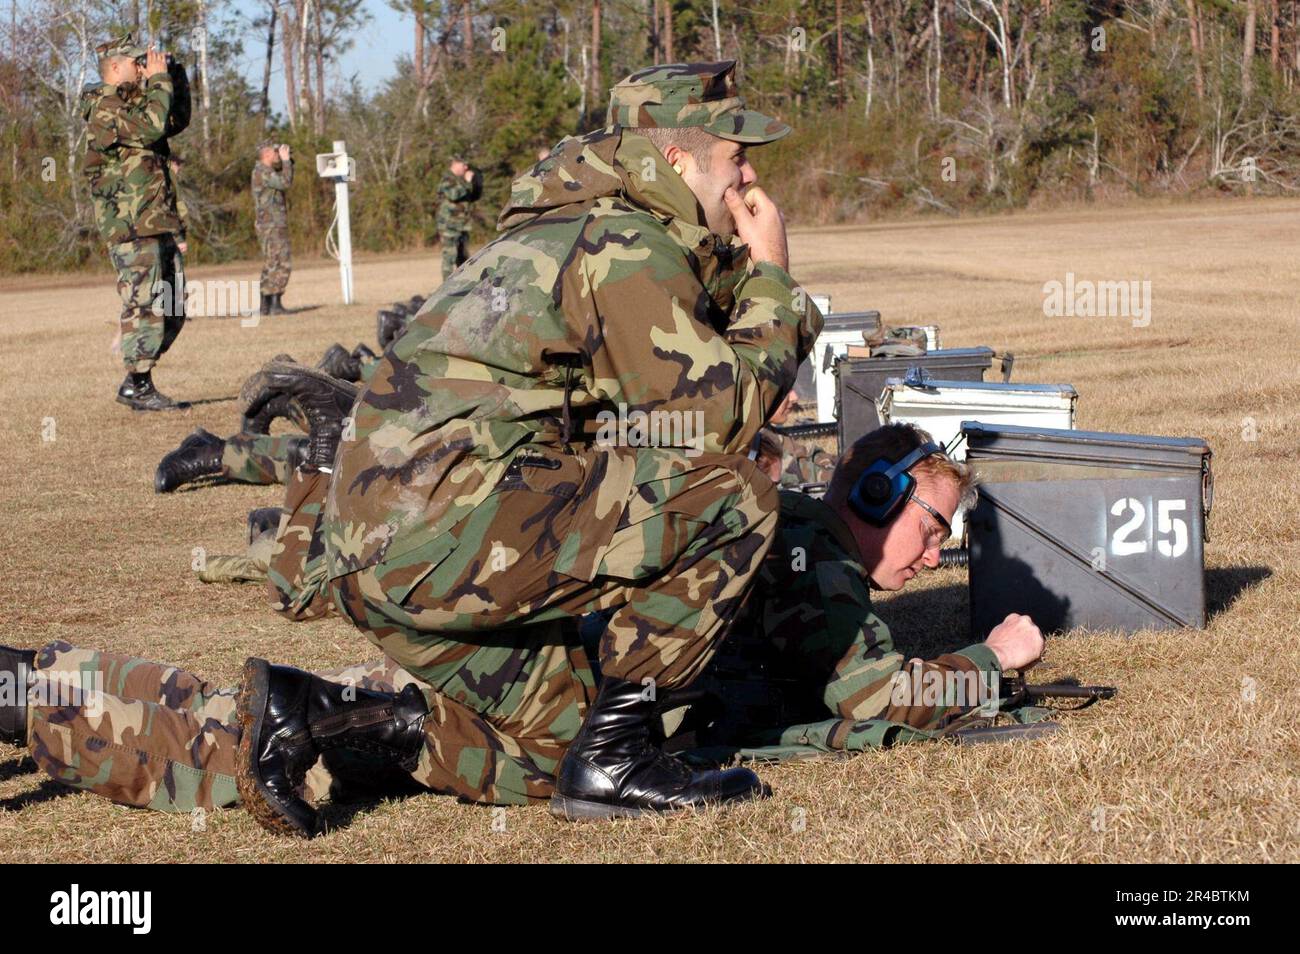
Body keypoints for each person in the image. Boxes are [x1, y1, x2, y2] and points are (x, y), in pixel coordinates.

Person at [0, 423, 1048, 822]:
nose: (935, 551)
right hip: (555, 705)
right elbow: (879, 695)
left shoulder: (810, 554)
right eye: (930, 522)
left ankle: (25, 696)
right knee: (514, 759)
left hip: (526, 685)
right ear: (869, 495)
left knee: (257, 751)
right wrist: (989, 661)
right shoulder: (819, 563)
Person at [83, 33, 190, 411]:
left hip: (156, 216)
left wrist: (174, 73)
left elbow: (174, 120)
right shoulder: (105, 108)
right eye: (136, 62)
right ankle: (140, 384)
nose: (143, 68)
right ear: (115, 68)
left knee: (175, 306)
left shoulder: (140, 103)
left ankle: (135, 379)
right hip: (129, 223)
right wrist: (159, 81)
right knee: (144, 302)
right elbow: (151, 127)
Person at [252, 142, 293, 315]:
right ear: (267, 154)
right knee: (280, 262)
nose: (278, 154)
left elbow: (284, 179)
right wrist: (286, 162)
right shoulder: (264, 172)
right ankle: (274, 302)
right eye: (276, 152)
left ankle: (266, 304)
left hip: (270, 224)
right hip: (272, 224)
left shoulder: (262, 171)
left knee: (272, 262)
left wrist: (289, 162)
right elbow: (285, 182)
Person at [435, 155, 477, 281]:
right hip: (449, 226)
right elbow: (453, 195)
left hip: (461, 225)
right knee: (449, 257)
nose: (466, 167)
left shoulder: (458, 179)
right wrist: (467, 181)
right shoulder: (447, 179)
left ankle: (464, 287)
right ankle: (445, 291)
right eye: (463, 164)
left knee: (463, 258)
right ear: (455, 164)